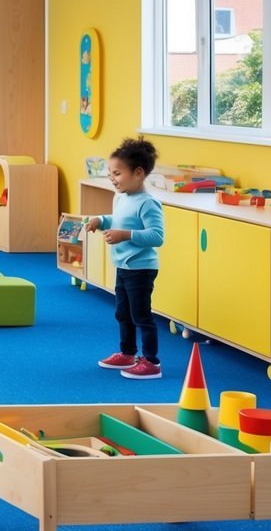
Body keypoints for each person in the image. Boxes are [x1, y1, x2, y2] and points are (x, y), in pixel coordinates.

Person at [86, 137, 165, 380]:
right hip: (123, 265)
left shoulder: (148, 203)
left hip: (141, 268)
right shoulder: (121, 197)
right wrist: (101, 220)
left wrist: (125, 235)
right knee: (123, 313)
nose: (112, 178)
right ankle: (128, 352)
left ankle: (151, 362)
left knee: (141, 315)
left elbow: (157, 236)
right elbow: (118, 219)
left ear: (138, 173)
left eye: (117, 173)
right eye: (110, 173)